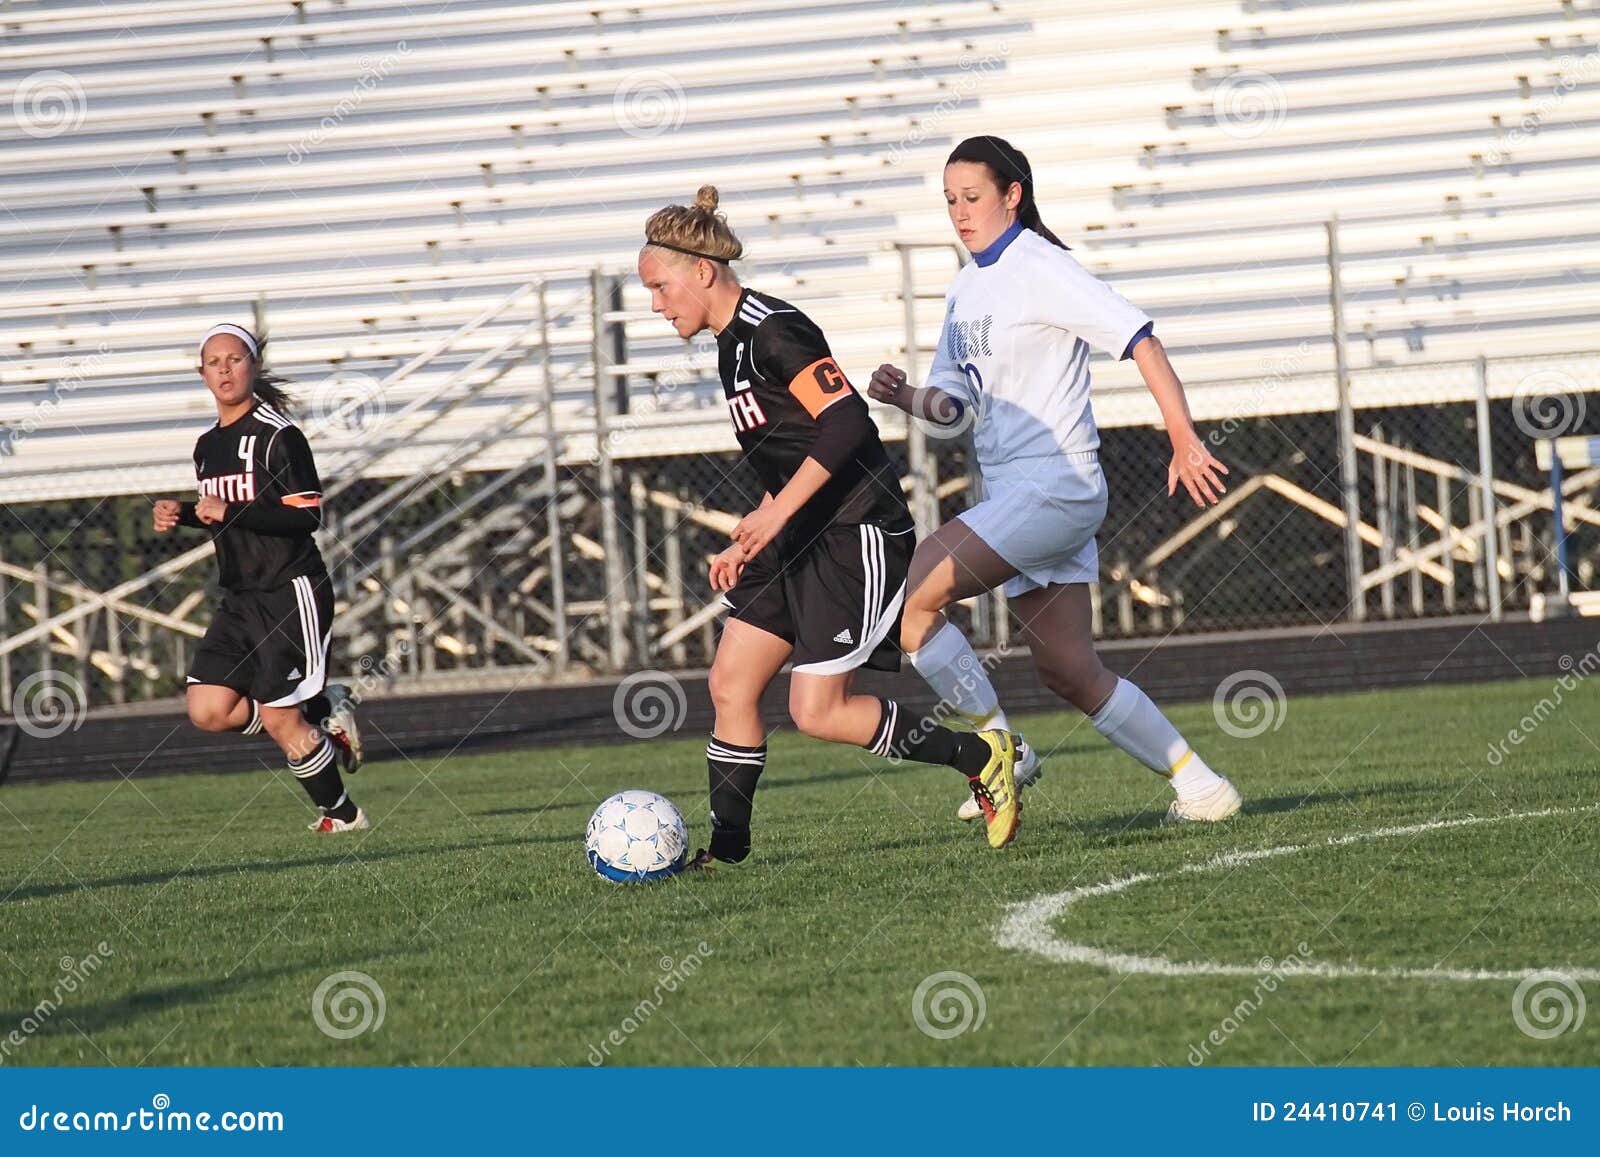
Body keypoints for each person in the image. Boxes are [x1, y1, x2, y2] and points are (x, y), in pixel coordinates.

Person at [637, 186, 1024, 860]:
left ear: (702, 272)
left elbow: (846, 421)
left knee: (817, 711)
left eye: (659, 286)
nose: (654, 303)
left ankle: (982, 753)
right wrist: (758, 525)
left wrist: (777, 512)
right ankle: (726, 852)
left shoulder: (774, 330)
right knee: (730, 683)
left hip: (853, 530)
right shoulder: (729, 347)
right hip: (795, 535)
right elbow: (789, 453)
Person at [868, 136, 1242, 824]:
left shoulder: (1040, 266)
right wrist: (908, 397)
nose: (959, 211)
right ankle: (1202, 786)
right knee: (1068, 669)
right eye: (949, 200)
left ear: (1013, 194)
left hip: (1056, 485)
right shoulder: (965, 285)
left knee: (912, 593)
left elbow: (1141, 339)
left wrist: (1184, 437)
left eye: (973, 196)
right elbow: (955, 407)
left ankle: (1000, 750)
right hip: (1015, 494)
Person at [153, 323, 367, 833]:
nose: (225, 370)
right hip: (242, 596)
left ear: (253, 366)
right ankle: (320, 709)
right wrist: (182, 513)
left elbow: (305, 516)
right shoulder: (207, 446)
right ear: (202, 374)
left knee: (278, 719)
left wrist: (228, 509)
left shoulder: (280, 435)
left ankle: (344, 818)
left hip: (289, 591)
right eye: (214, 362)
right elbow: (226, 515)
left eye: (234, 359)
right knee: (208, 709)